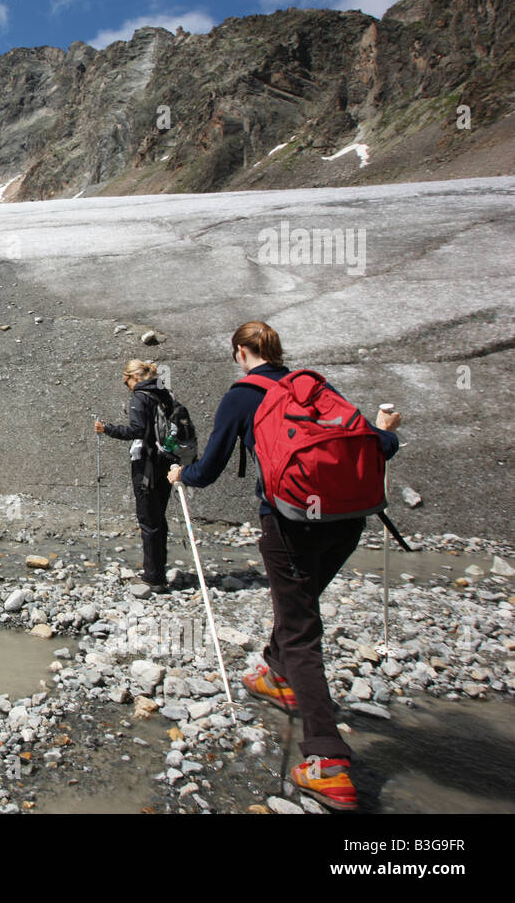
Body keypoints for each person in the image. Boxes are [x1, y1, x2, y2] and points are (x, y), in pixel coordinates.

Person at [167, 321, 401, 811]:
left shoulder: (241, 396)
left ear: (239, 352)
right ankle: (276, 674)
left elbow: (207, 471)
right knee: (301, 605)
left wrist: (179, 473)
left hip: (291, 521)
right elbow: (379, 445)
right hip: (348, 518)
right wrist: (385, 430)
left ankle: (327, 760)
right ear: (275, 351)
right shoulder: (312, 386)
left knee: (300, 627)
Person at [94, 360, 176, 591]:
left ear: (133, 377)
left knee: (148, 519)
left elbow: (137, 430)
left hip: (147, 463)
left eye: (126, 381)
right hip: (166, 461)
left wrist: (107, 428)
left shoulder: (141, 396)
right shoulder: (164, 394)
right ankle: (157, 570)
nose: (126, 386)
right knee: (158, 516)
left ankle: (153, 577)